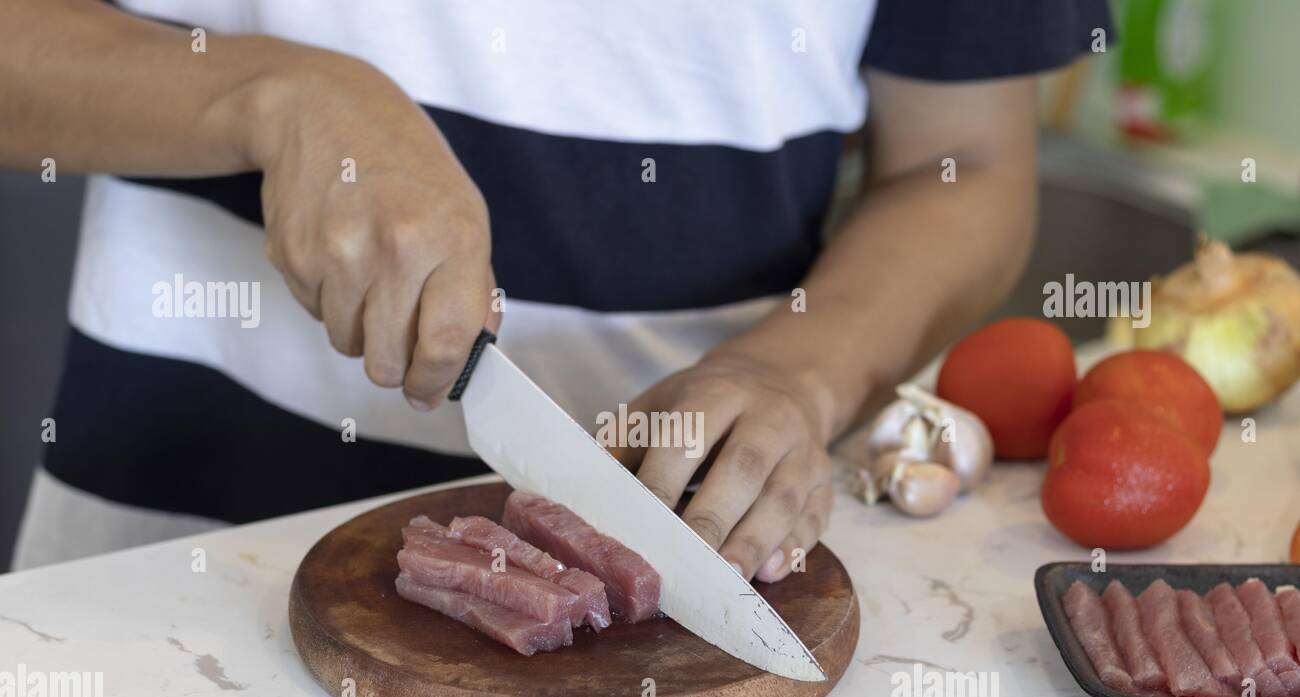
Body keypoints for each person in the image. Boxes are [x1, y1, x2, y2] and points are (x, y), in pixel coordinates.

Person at [2, 0, 1109, 576]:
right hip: (156, 580)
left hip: (680, 586)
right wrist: (273, 94)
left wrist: (794, 373)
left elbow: (965, 166)